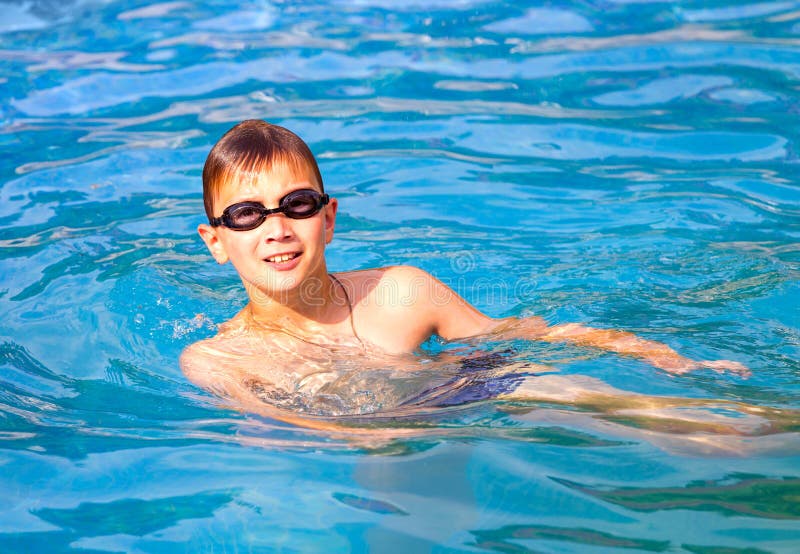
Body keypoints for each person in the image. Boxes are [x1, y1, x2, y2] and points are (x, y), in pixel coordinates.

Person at [180, 119, 750, 434]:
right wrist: (390, 432)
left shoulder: (400, 293)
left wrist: (655, 353)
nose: (276, 228)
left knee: (704, 431)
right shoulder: (219, 360)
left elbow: (519, 334)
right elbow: (280, 433)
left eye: (297, 204)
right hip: (393, 439)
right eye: (247, 214)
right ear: (217, 242)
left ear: (328, 218)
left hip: (481, 391)